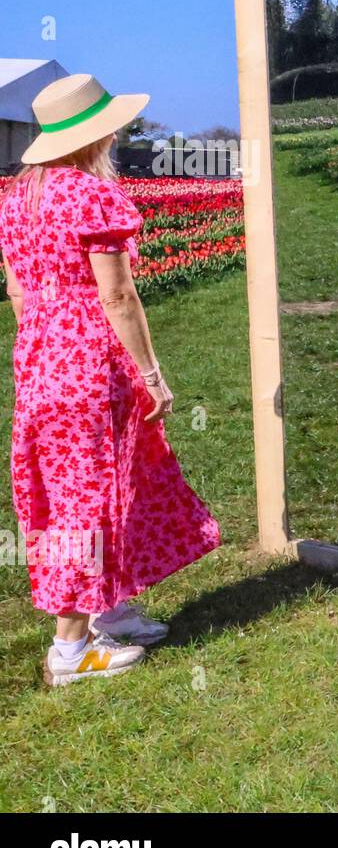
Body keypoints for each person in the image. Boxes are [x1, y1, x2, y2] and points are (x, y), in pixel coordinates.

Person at [0, 73, 222, 685]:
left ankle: (112, 609)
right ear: (96, 135)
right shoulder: (90, 197)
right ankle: (69, 652)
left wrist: (46, 342)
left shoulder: (15, 196)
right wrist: (151, 374)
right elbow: (118, 294)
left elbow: (18, 289)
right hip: (91, 366)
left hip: (41, 360)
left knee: (92, 484)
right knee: (85, 501)